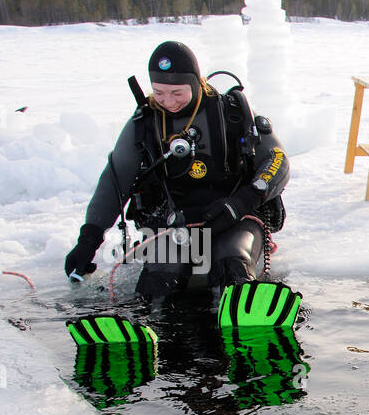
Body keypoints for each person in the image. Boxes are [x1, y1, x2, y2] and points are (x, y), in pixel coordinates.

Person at [63, 41, 289, 298]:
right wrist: (88, 240)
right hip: (174, 224)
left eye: (177, 93)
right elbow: (115, 180)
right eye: (159, 93)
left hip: (234, 218)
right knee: (159, 278)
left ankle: (247, 315)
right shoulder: (145, 123)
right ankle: (143, 329)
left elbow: (277, 160)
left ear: (195, 82)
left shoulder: (232, 112)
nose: (168, 101)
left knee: (233, 263)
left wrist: (243, 200)